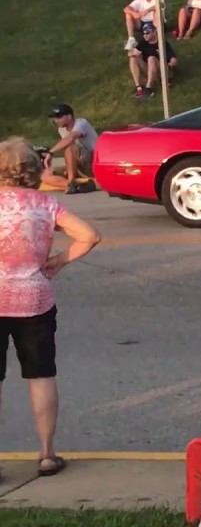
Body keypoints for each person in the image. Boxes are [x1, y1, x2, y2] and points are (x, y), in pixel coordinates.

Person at [0, 137, 102, 480]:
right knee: (40, 374)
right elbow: (89, 235)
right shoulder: (46, 205)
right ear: (34, 170)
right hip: (35, 298)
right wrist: (59, 260)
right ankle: (46, 453)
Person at [48, 105, 98, 195]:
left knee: (70, 146)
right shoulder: (61, 129)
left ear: (69, 117)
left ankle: (71, 182)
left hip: (92, 163)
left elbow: (71, 138)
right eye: (55, 118)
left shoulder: (82, 123)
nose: (56, 120)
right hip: (78, 167)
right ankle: (73, 185)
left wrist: (51, 152)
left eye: (59, 117)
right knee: (46, 174)